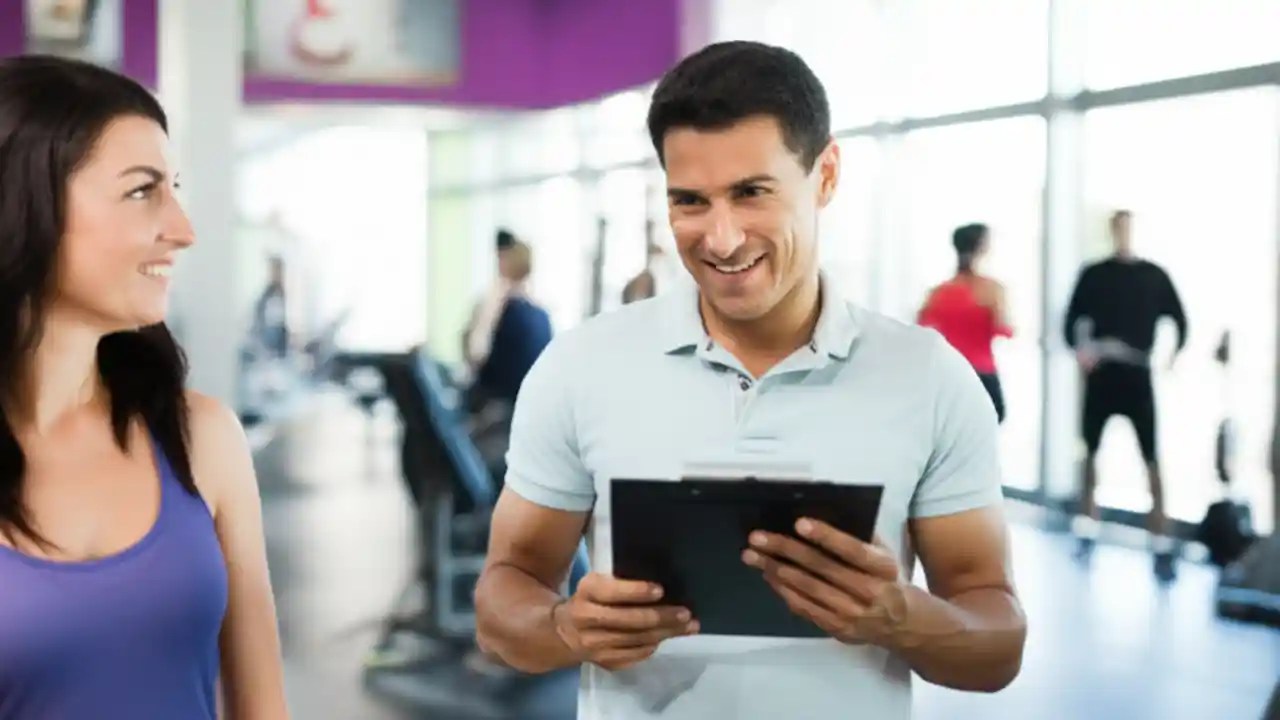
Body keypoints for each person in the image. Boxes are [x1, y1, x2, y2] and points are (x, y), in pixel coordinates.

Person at [474, 41, 1026, 720]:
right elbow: (503, 600)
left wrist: (902, 618)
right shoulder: (580, 367)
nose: (722, 239)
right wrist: (563, 628)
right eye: (690, 202)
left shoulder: (930, 379)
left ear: (825, 176)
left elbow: (998, 647)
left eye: (752, 193)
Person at [0, 56, 288, 718]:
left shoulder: (202, 438)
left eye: (173, 188)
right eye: (141, 191)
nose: (183, 230)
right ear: (23, 205)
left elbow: (263, 708)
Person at [1064, 209, 1187, 581]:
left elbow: (1179, 319)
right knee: (1090, 451)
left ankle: (1160, 538)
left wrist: (1171, 357)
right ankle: (1087, 526)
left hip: (1137, 373)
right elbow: (1070, 320)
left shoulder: (1153, 275)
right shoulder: (1094, 274)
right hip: (1103, 373)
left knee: (1150, 455)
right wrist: (1083, 353)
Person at [917, 223, 1012, 422]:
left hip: (948, 374)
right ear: (983, 248)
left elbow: (921, 330)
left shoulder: (937, 293)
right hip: (982, 371)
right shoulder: (992, 291)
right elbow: (1005, 330)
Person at [469, 239, 553, 407]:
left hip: (497, 409)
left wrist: (488, 312)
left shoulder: (503, 311)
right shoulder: (542, 315)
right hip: (530, 407)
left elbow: (475, 354)